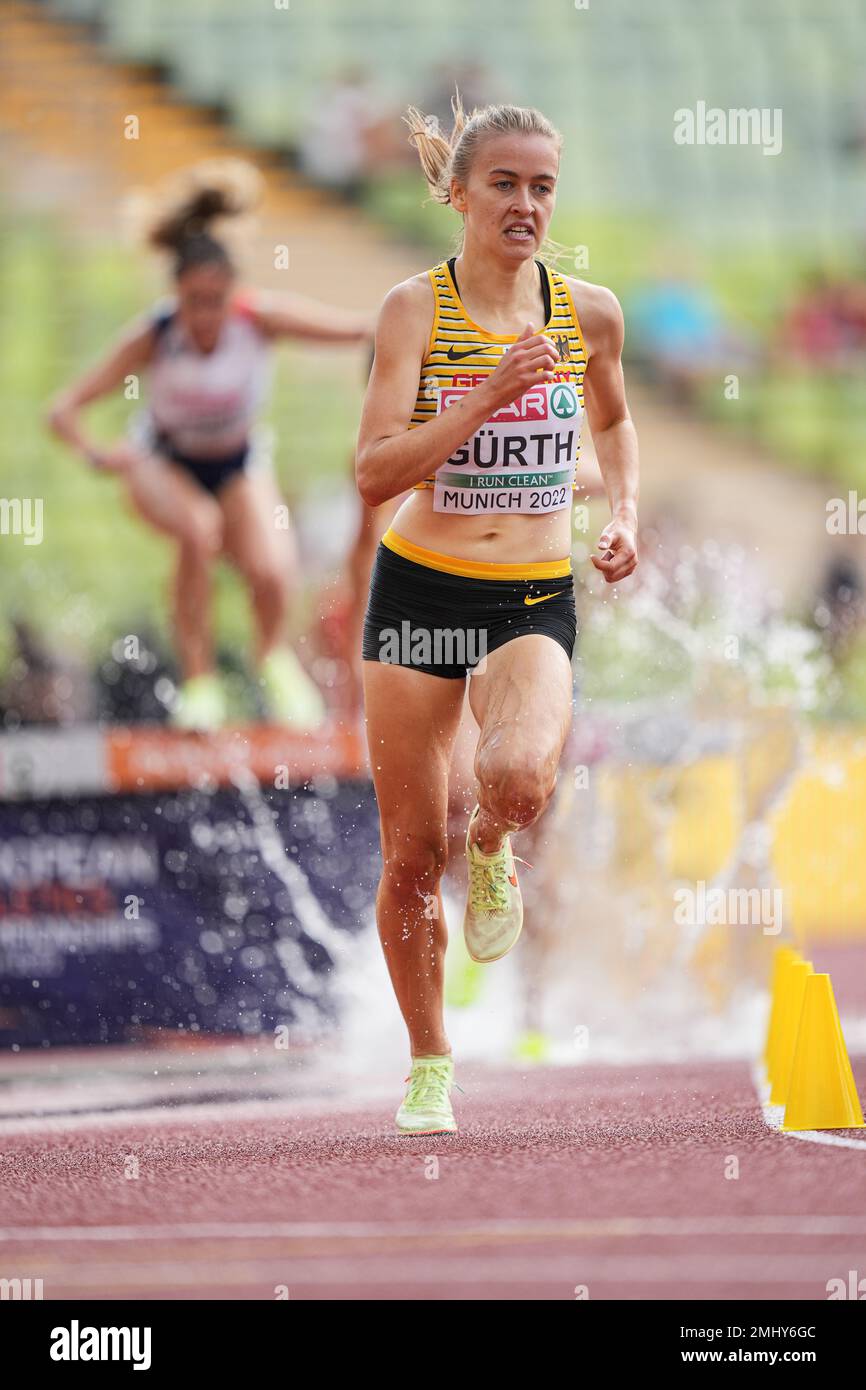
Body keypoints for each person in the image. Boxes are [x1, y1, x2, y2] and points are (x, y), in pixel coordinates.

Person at [356, 97, 639, 1135]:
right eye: (504, 184)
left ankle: (496, 844)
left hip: (529, 593)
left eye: (541, 186)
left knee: (517, 776)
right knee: (405, 855)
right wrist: (480, 397)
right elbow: (370, 470)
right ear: (460, 194)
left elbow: (610, 417)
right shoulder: (412, 311)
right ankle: (429, 1062)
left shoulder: (587, 311)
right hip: (421, 591)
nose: (525, 204)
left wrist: (626, 512)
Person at [47, 159, 371, 731]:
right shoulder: (156, 334)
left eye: (216, 301)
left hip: (238, 460)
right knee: (199, 530)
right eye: (194, 301)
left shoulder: (258, 319)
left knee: (274, 570)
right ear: (177, 295)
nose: (205, 316)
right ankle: (198, 682)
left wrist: (418, 328)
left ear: (233, 295)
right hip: (160, 459)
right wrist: (99, 453)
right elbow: (64, 410)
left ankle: (270, 658)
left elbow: (356, 329)